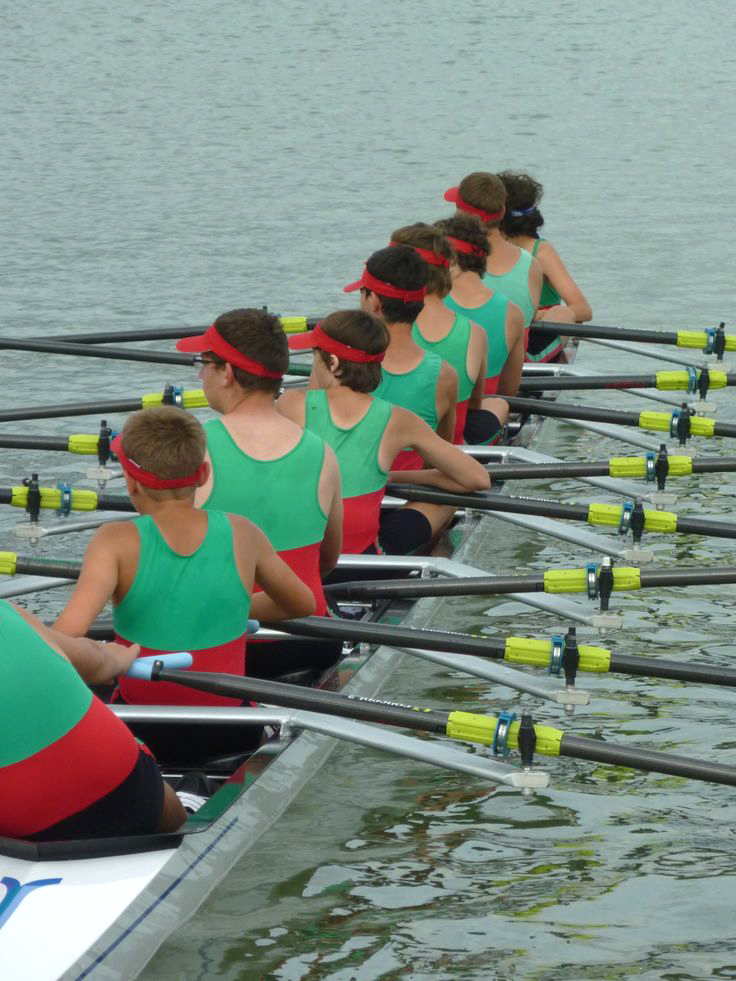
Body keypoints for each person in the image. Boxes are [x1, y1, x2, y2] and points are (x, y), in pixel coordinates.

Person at [55, 406, 315, 707]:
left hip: (144, 721)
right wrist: (227, 609)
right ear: (202, 475)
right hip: (233, 727)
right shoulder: (243, 532)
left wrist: (105, 658)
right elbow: (301, 603)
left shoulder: (113, 540)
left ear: (130, 482)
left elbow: (65, 636)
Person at [176, 308, 343, 679]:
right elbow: (328, 560)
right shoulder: (322, 452)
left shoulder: (193, 450)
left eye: (205, 363)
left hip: (228, 643)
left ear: (229, 373)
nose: (201, 374)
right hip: (311, 639)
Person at [283, 310, 490, 555]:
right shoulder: (398, 419)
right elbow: (478, 479)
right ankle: (434, 554)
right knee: (443, 502)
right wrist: (393, 477)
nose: (314, 365)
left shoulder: (290, 403)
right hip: (364, 562)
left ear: (333, 363)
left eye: (316, 356)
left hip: (299, 557)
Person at [1, 600, 186, 840]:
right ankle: (185, 821)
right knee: (150, 785)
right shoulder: (9, 611)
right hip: (125, 783)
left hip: (19, 824)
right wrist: (117, 658)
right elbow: (97, 663)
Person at [341, 245, 462, 550]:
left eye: (363, 292)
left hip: (337, 512)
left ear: (374, 301)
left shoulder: (335, 364)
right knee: (452, 497)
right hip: (400, 505)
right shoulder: (445, 376)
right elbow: (442, 459)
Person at [388, 222, 503, 446]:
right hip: (448, 455)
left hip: (386, 456)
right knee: (497, 404)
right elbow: (474, 408)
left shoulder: (378, 331)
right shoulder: (475, 334)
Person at [434, 211, 525, 419]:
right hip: (477, 413)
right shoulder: (512, 313)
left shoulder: (428, 304)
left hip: (429, 419)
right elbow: (509, 390)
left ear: (447, 256)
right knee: (498, 404)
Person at [498, 170, 592, 361]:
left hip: (534, 342)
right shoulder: (488, 249)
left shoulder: (542, 253)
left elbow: (583, 309)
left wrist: (539, 314)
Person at [444, 172, 542, 343]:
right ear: (502, 211)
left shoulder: (444, 262)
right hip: (515, 363)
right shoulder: (531, 265)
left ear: (459, 212)